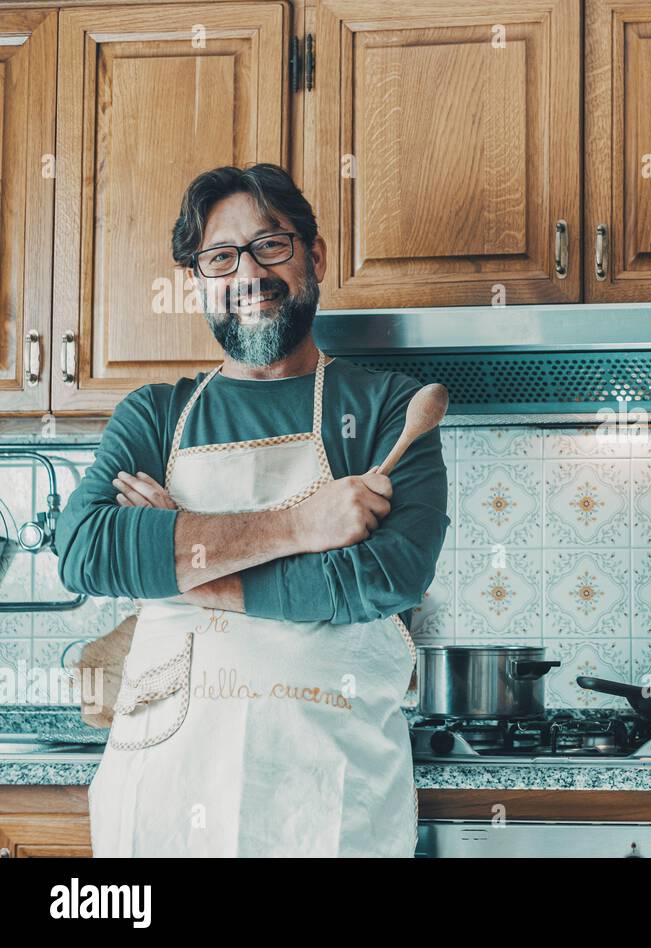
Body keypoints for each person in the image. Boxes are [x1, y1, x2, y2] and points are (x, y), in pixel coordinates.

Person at [55, 163, 450, 857]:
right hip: (165, 789)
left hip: (329, 792)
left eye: (271, 245)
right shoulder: (155, 414)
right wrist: (302, 527)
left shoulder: (389, 408)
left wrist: (177, 560)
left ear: (314, 256)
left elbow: (387, 575)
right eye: (220, 256)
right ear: (197, 281)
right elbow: (87, 550)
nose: (248, 273)